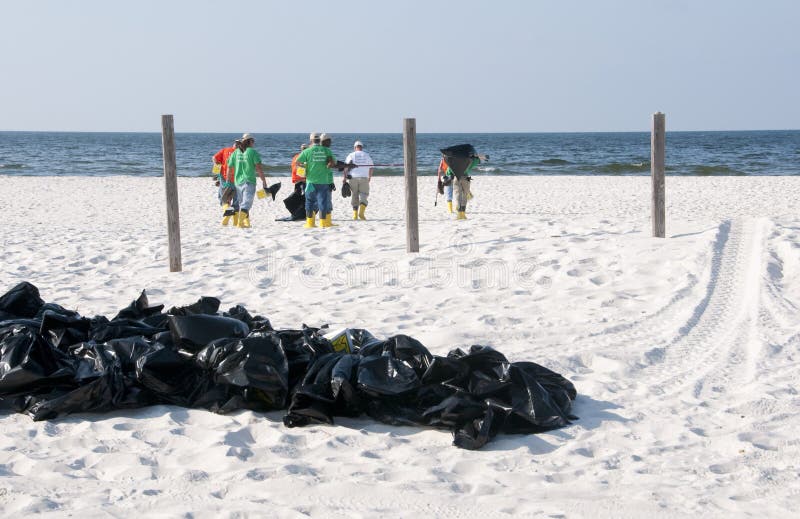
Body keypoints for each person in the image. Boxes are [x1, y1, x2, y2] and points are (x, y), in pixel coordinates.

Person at [226, 133, 280, 228]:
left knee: (242, 203)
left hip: (237, 182)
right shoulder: (252, 152)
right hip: (249, 181)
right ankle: (240, 223)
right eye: (253, 141)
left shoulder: (235, 152)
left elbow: (229, 168)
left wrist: (228, 181)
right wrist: (264, 181)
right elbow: (259, 168)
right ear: (250, 141)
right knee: (247, 204)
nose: (254, 143)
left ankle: (247, 223)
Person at [295, 132, 335, 228]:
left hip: (310, 182)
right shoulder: (326, 150)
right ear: (319, 140)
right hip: (323, 181)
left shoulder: (307, 151)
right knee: (323, 202)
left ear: (311, 140)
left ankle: (310, 223)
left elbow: (297, 162)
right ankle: (323, 222)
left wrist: (305, 167)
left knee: (309, 201)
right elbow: (332, 163)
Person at [439, 144, 485, 220]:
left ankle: (459, 213)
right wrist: (476, 157)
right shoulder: (471, 160)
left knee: (458, 195)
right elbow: (478, 161)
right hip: (466, 178)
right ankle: (463, 213)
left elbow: (447, 166)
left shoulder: (453, 161)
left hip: (456, 178)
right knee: (464, 195)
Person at [343, 140, 374, 220]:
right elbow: (371, 167)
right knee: (364, 194)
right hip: (364, 177)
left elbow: (346, 167)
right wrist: (369, 177)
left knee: (354, 195)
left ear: (355, 147)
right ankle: (361, 213)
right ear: (361, 147)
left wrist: (344, 178)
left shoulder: (351, 155)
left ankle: (355, 215)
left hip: (353, 178)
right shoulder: (366, 155)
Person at [213, 139, 241, 226]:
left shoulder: (225, 150)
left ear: (234, 144)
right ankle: (235, 222)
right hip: (238, 179)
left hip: (225, 178)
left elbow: (214, 158)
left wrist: (217, 166)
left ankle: (227, 215)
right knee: (236, 201)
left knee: (223, 198)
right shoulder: (242, 154)